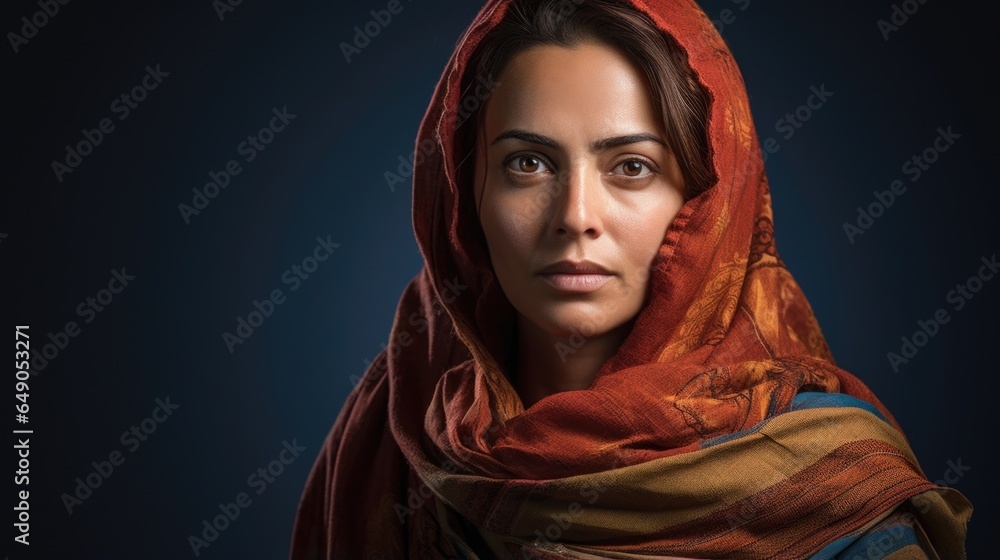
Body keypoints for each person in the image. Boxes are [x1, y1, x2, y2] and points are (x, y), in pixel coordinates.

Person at [289, 0, 973, 557]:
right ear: (465, 198)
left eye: (632, 167)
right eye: (528, 164)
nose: (576, 216)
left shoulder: (826, 489)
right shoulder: (400, 426)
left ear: (708, 201)